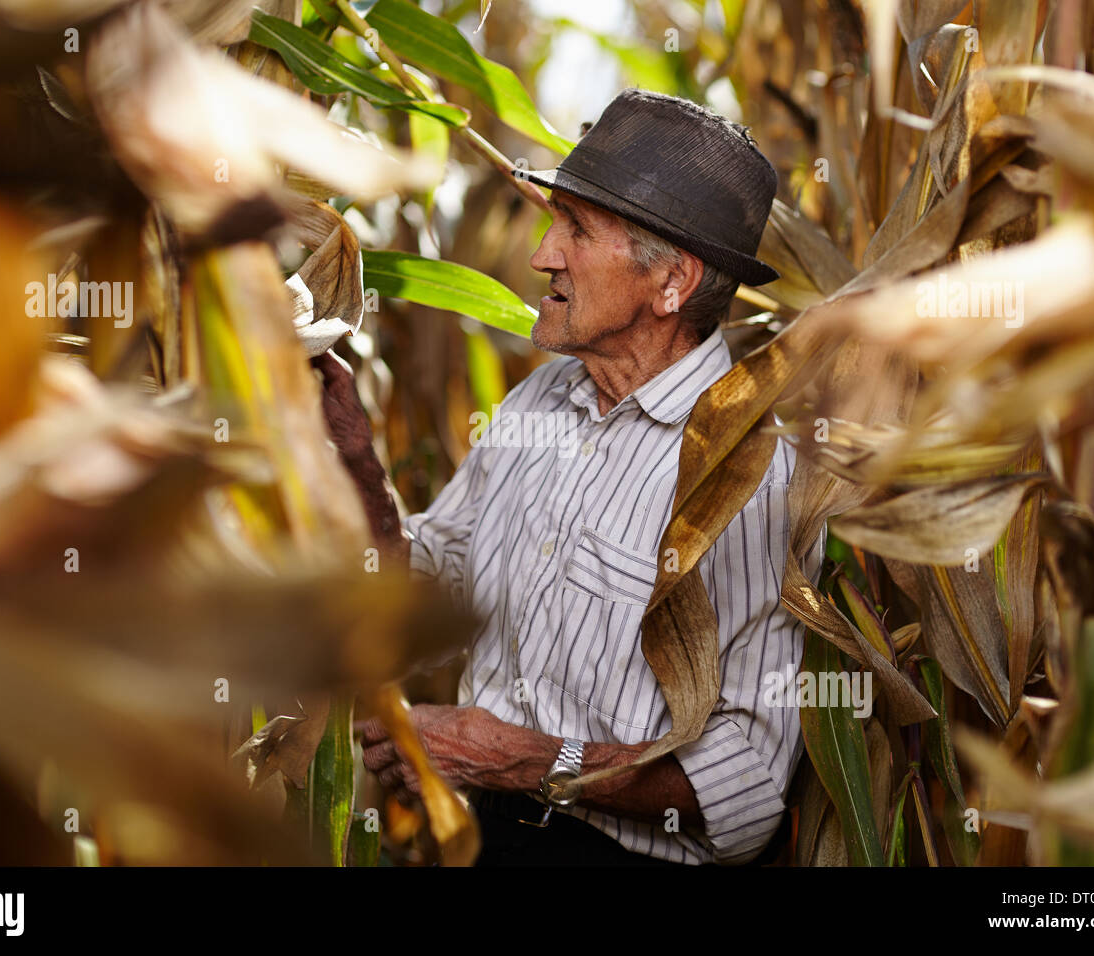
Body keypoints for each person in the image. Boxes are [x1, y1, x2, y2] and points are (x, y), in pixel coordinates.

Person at [316, 89, 825, 866]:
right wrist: (351, 453)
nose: (541, 255)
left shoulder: (752, 476)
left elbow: (747, 788)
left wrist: (526, 759)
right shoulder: (543, 397)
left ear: (672, 283)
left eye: (577, 231)